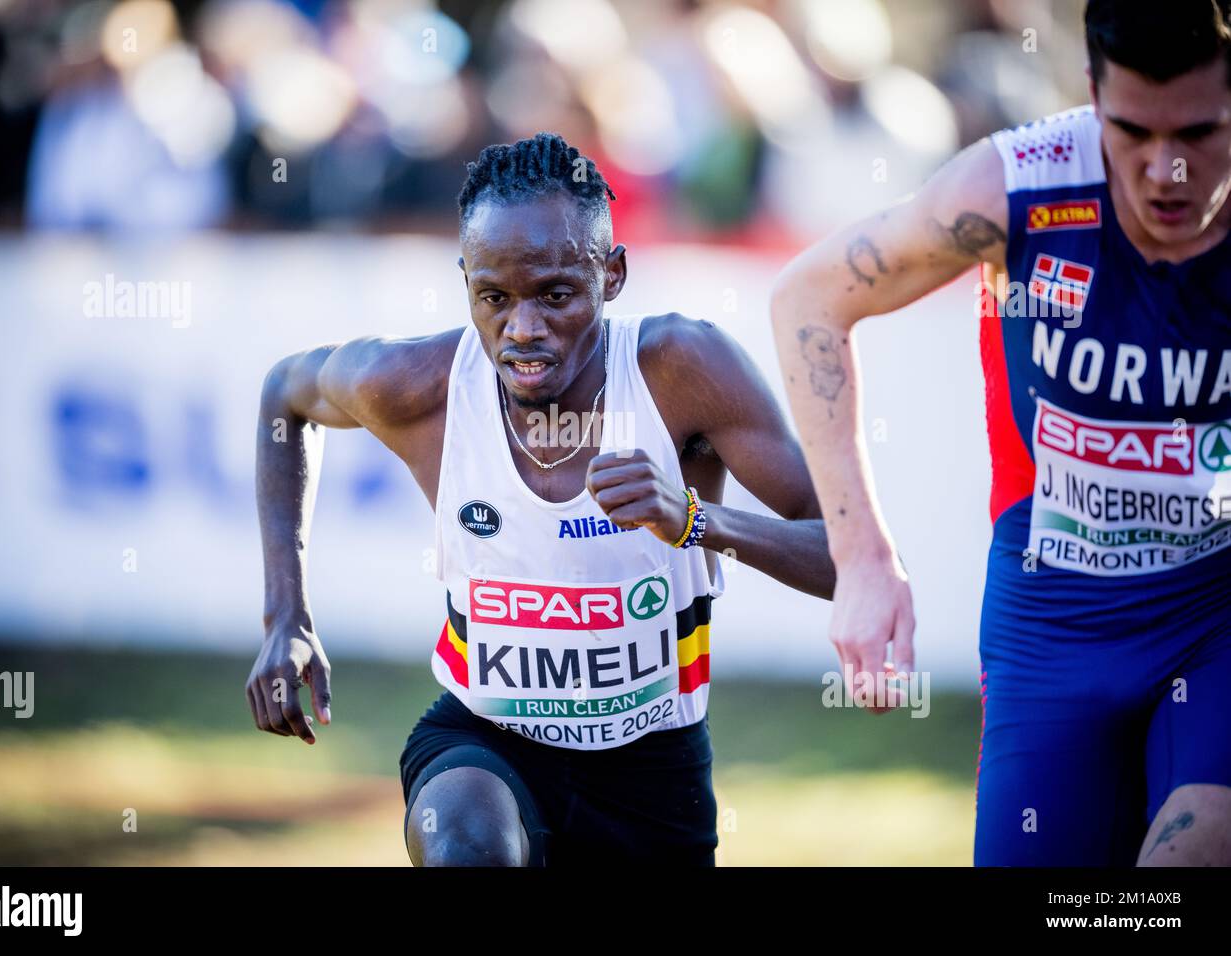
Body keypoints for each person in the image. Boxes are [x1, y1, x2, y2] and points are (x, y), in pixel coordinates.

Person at [247, 132, 835, 866]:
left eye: (557, 295)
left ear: (611, 275)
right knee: (466, 845)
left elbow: (849, 559)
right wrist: (284, 616)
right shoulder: (416, 386)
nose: (524, 331)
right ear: (466, 280)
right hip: (482, 746)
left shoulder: (683, 370)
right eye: (493, 298)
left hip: (654, 776)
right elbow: (284, 396)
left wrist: (691, 519)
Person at [771, 0, 1231, 866]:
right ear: (1091, 93)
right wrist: (861, 561)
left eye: (1201, 133)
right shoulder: (1016, 187)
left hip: (1215, 611)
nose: (1167, 170)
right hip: (1052, 616)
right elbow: (809, 299)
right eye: (1131, 131)